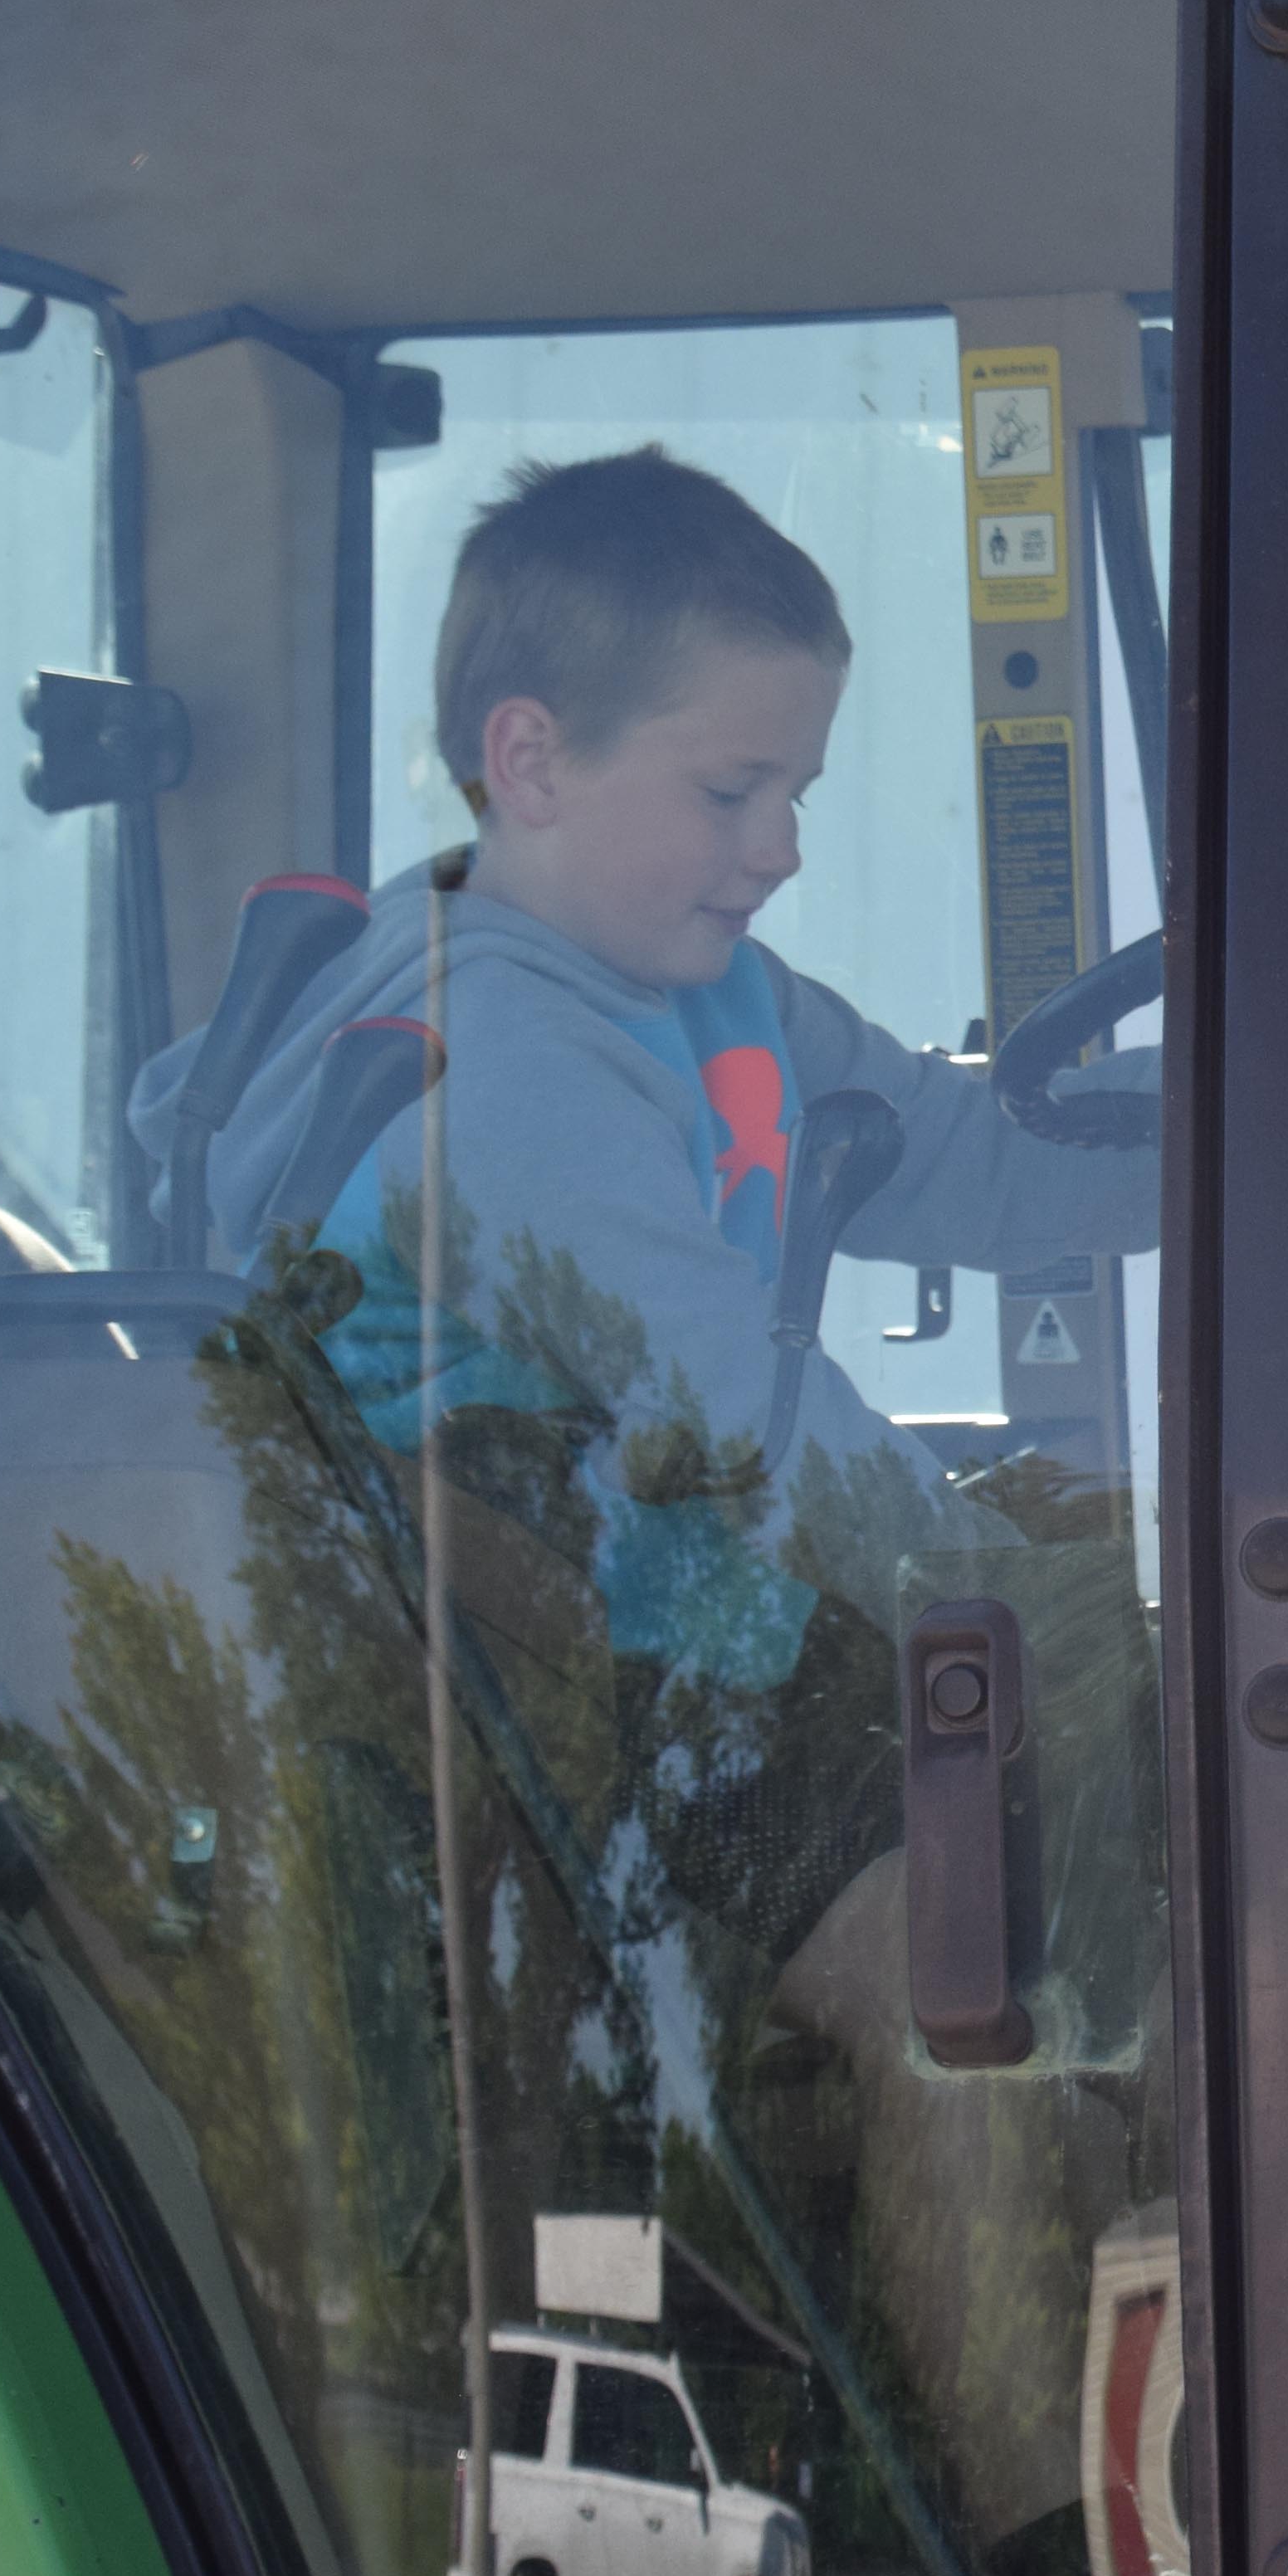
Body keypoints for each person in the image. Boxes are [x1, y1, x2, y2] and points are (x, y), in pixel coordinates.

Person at [127, 445, 1156, 1690]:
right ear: (531, 763)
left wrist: (1287, 1121)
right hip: (526, 1725)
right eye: (730, 792)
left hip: (689, 1672)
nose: (782, 849)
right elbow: (742, 1435)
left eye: (797, 794)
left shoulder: (713, 989)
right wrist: (1075, 1649)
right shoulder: (489, 1070)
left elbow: (985, 1158)